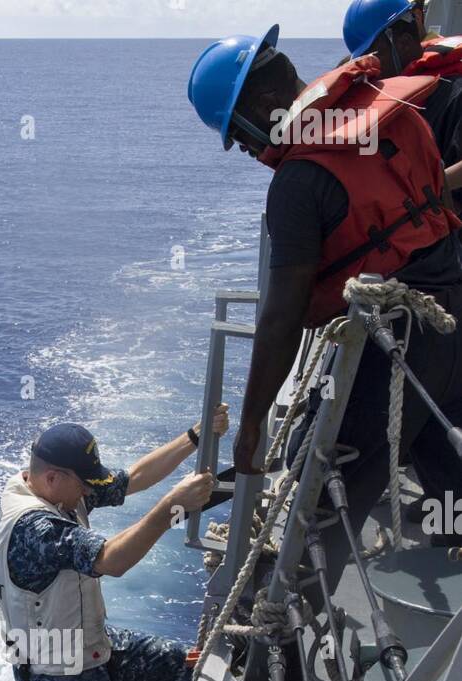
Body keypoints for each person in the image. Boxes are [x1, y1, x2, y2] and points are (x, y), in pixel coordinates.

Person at [188, 26, 462, 576]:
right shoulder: (387, 110)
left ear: (265, 105)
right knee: (443, 459)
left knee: (316, 513)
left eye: (238, 133)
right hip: (451, 320)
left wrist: (250, 425)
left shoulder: (298, 182)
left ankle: (285, 648)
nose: (245, 148)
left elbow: (284, 315)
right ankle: (450, 547)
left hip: (397, 347)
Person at [0, 411, 228, 681]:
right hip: (59, 680)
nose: (89, 492)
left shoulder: (59, 490)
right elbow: (112, 560)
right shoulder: (35, 528)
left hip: (84, 642)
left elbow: (131, 479)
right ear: (53, 478)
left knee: (184, 668)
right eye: (82, 484)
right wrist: (175, 505)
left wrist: (193, 436)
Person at [343, 0, 462, 214]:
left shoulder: (454, 95)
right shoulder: (398, 100)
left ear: (405, 43)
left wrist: (434, 186)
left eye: (373, 57)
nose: (369, 68)